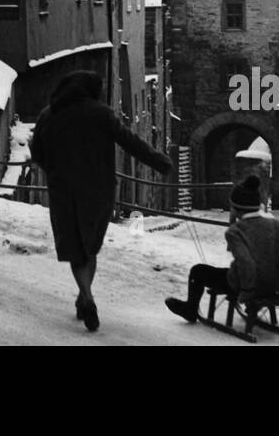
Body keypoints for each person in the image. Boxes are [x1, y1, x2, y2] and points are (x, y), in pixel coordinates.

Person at [29, 71, 172, 332]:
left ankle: (85, 295)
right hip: (98, 190)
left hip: (63, 191)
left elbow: (36, 151)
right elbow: (131, 142)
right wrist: (160, 161)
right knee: (89, 247)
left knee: (75, 247)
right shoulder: (101, 113)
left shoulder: (48, 115)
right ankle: (85, 295)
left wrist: (54, 170)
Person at [164, 174, 279, 323]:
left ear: (236, 207)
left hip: (243, 285)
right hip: (273, 285)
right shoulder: (277, 226)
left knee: (198, 271)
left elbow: (247, 263)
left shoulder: (236, 231)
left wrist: (248, 293)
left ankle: (190, 309)